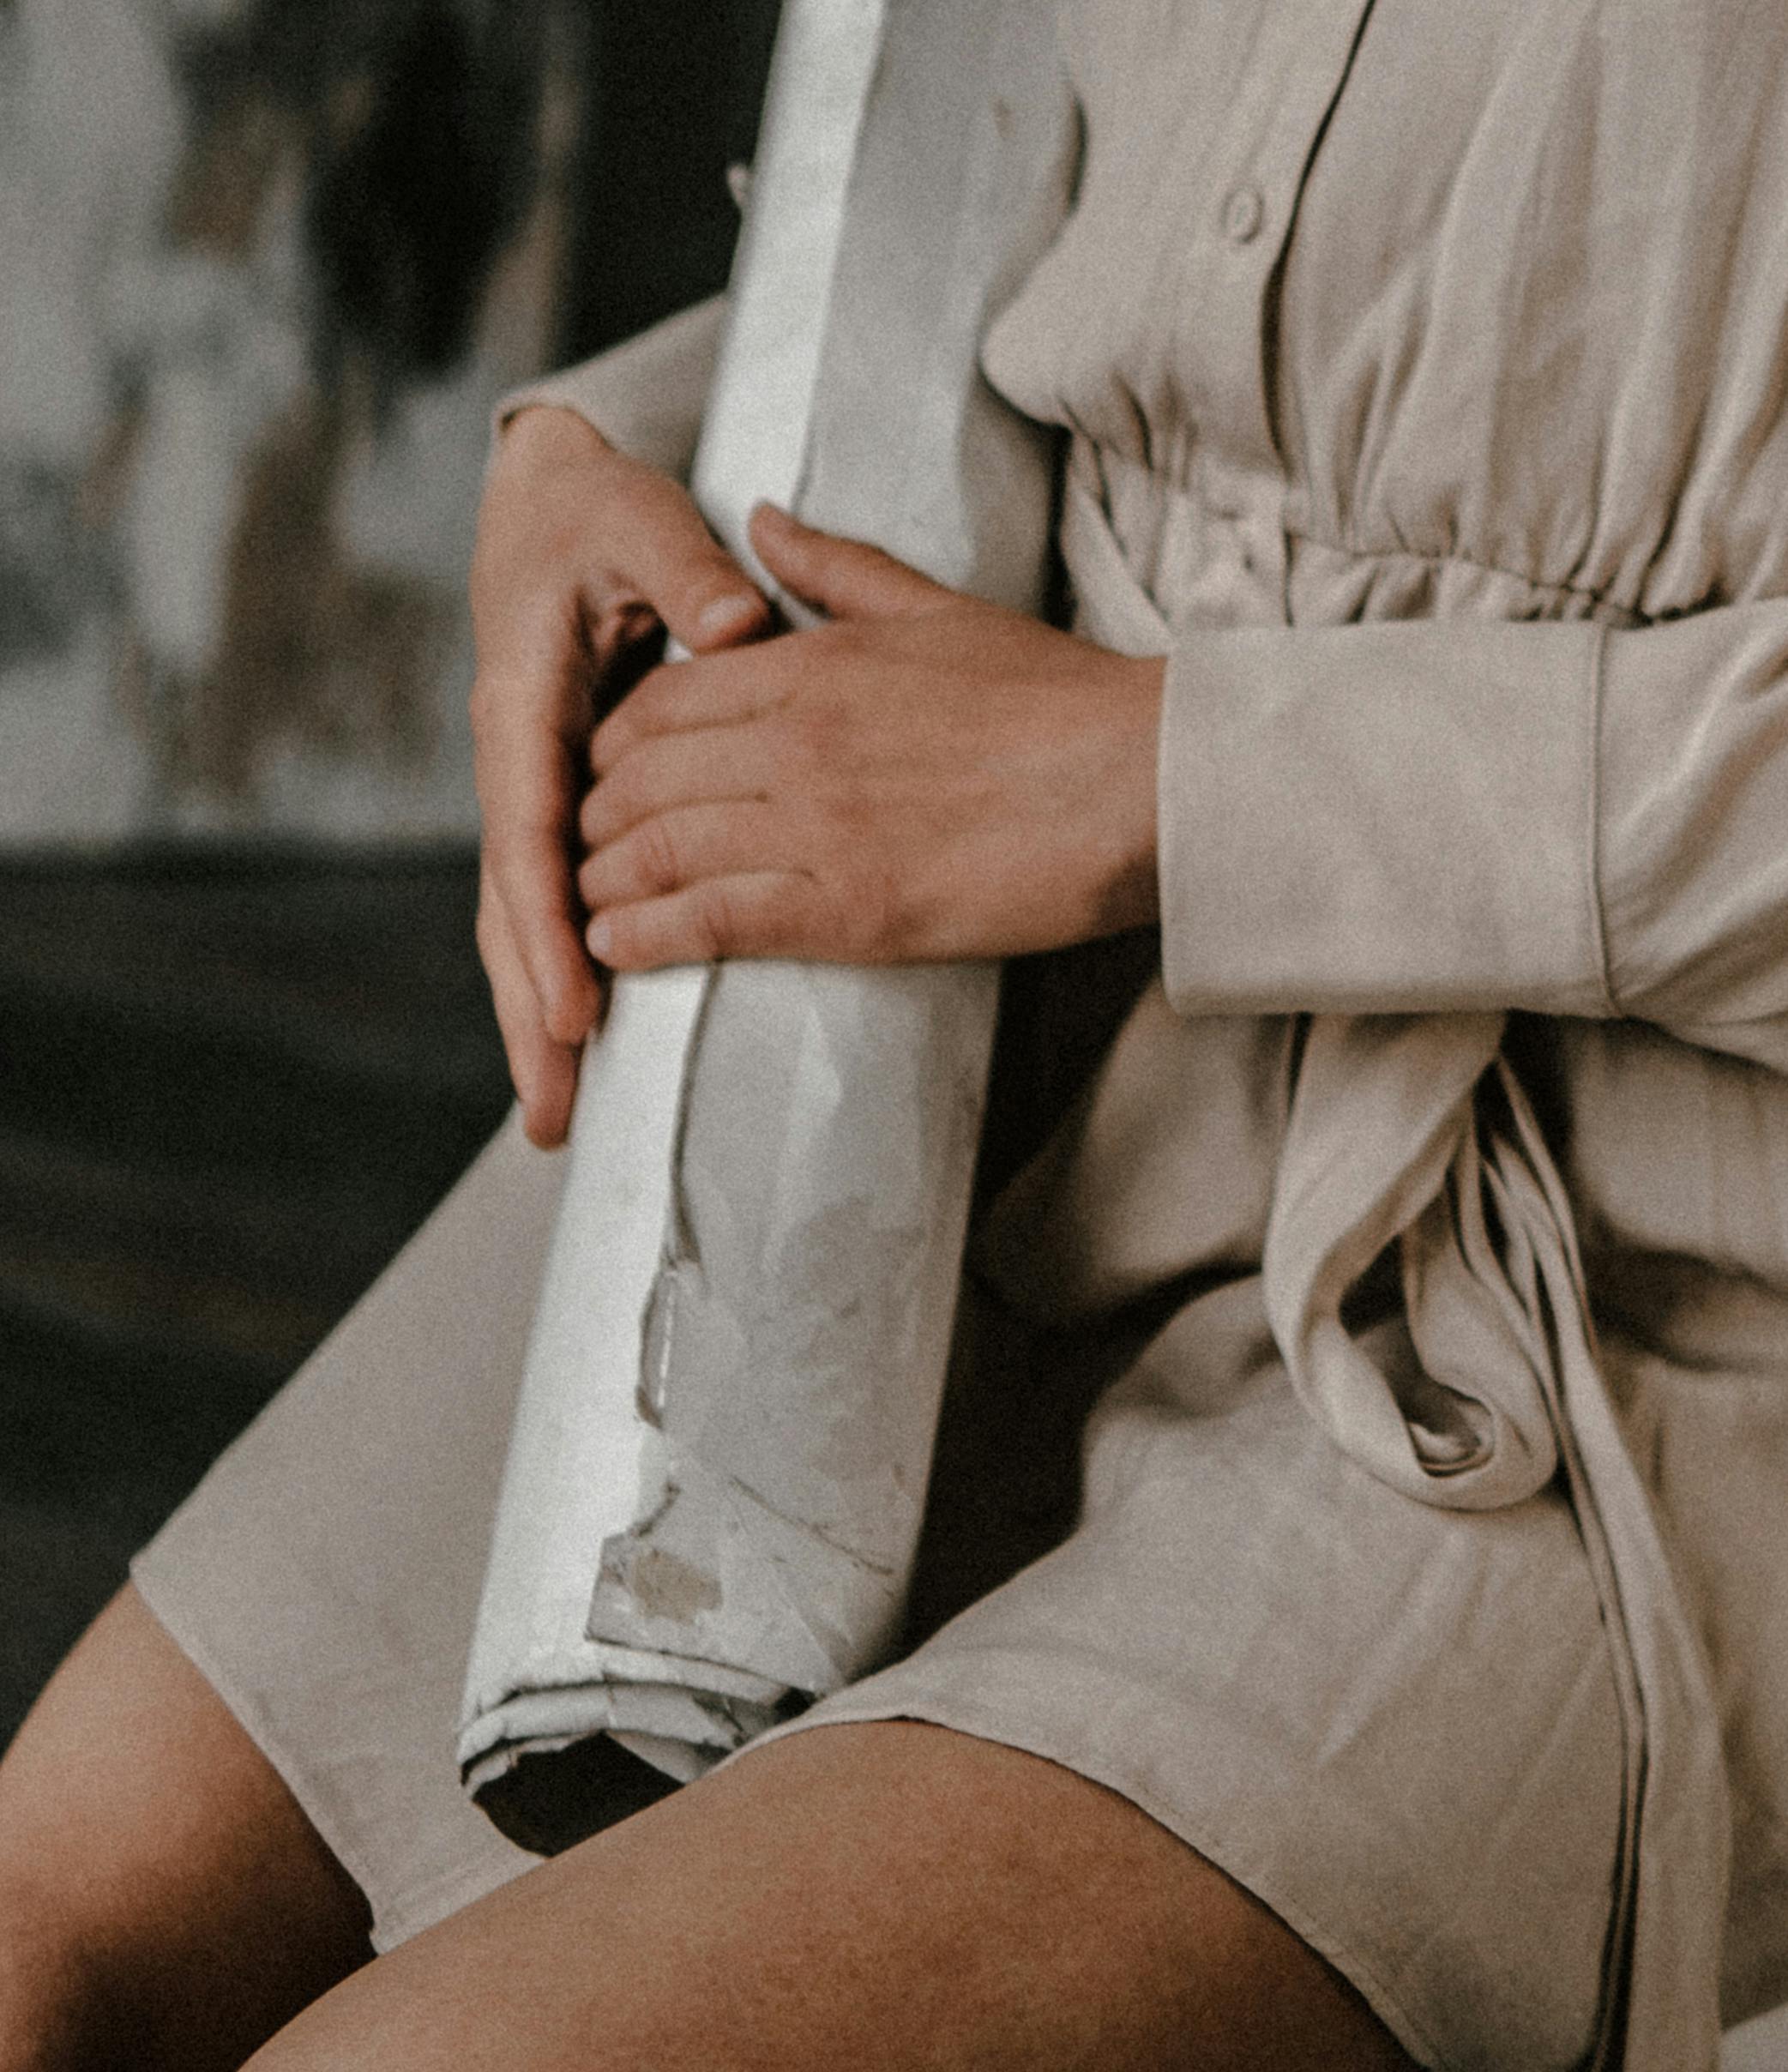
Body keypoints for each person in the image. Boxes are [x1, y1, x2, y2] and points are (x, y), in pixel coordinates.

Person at [6, 3, 1788, 2067]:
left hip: (1624, 1306)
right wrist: (619, 452)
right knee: (36, 1950)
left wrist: (1174, 782)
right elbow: (1039, 158)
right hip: (916, 1031)